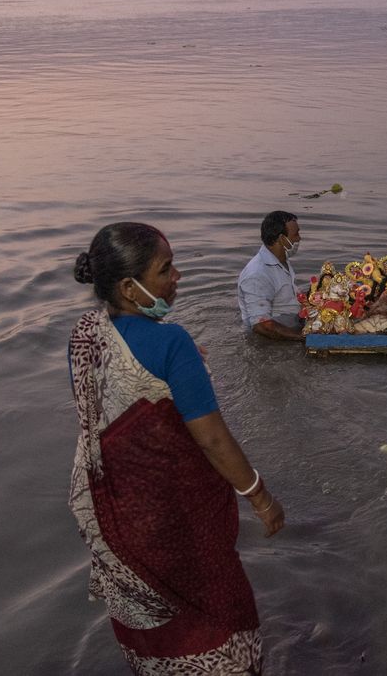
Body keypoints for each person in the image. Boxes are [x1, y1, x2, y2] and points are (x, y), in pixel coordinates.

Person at [69, 222, 285, 674]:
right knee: (218, 613)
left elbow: (107, 409)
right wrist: (260, 496)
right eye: (166, 269)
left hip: (123, 516)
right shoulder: (173, 343)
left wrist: (176, 374)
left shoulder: (85, 334)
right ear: (130, 287)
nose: (178, 276)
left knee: (153, 629)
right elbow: (211, 438)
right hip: (178, 522)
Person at [237, 211, 305, 341]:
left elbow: (285, 297)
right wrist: (304, 338)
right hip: (271, 340)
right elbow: (262, 326)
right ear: (281, 239)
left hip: (292, 324)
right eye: (295, 234)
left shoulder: (281, 260)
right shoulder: (257, 274)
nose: (299, 238)